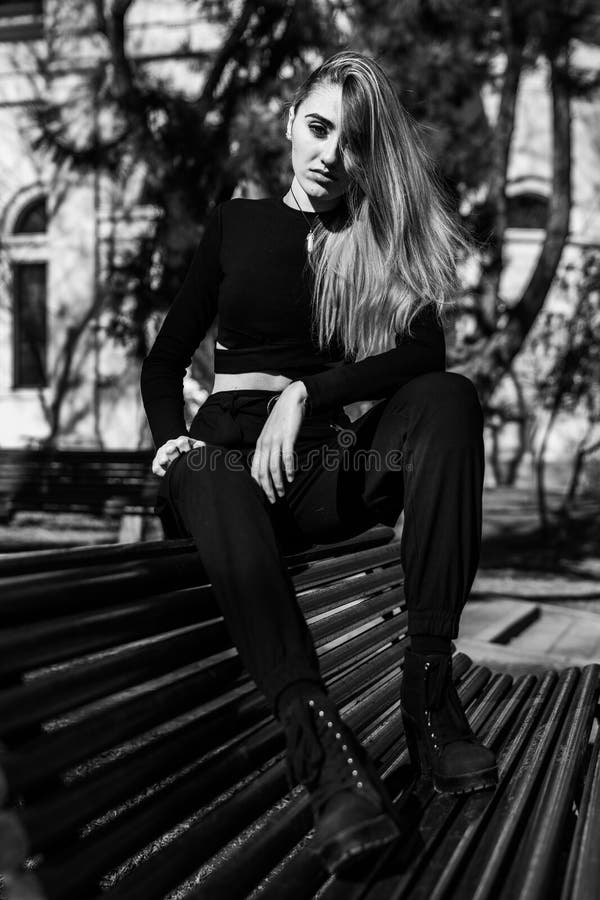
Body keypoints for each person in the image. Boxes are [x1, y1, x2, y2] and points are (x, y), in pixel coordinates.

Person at [140, 50, 498, 875]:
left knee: (448, 400)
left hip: (317, 463)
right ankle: (325, 757)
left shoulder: (363, 242)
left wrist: (308, 392)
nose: (330, 153)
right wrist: (172, 438)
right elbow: (165, 364)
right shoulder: (238, 223)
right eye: (317, 127)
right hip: (221, 457)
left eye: (353, 141)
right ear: (292, 123)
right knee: (209, 472)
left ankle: (431, 701)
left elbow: (425, 352)